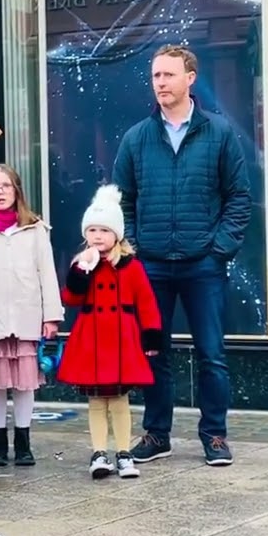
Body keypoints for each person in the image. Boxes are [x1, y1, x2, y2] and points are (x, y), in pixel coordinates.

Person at [112, 44, 250, 467]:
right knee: (154, 352)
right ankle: (157, 434)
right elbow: (122, 201)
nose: (160, 83)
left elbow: (239, 198)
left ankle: (215, 435)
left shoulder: (219, 133)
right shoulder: (137, 138)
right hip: (150, 265)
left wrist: (219, 249)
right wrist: (131, 250)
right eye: (155, 76)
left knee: (212, 354)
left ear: (191, 77)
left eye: (168, 75)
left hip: (202, 265)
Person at [57, 185, 162, 479]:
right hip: (92, 340)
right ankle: (99, 452)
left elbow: (147, 302)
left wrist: (151, 335)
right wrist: (81, 273)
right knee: (95, 400)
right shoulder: (83, 264)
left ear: (117, 234)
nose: (98, 236)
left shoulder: (131, 267)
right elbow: (71, 298)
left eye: (104, 230)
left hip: (122, 340)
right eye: (92, 230)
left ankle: (124, 453)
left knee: (119, 399)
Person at [0, 164, 62, 467]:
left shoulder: (35, 229)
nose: (0, 192)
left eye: (5, 186)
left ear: (16, 190)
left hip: (25, 317)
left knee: (24, 383)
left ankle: (23, 440)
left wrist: (51, 317)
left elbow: (47, 274)